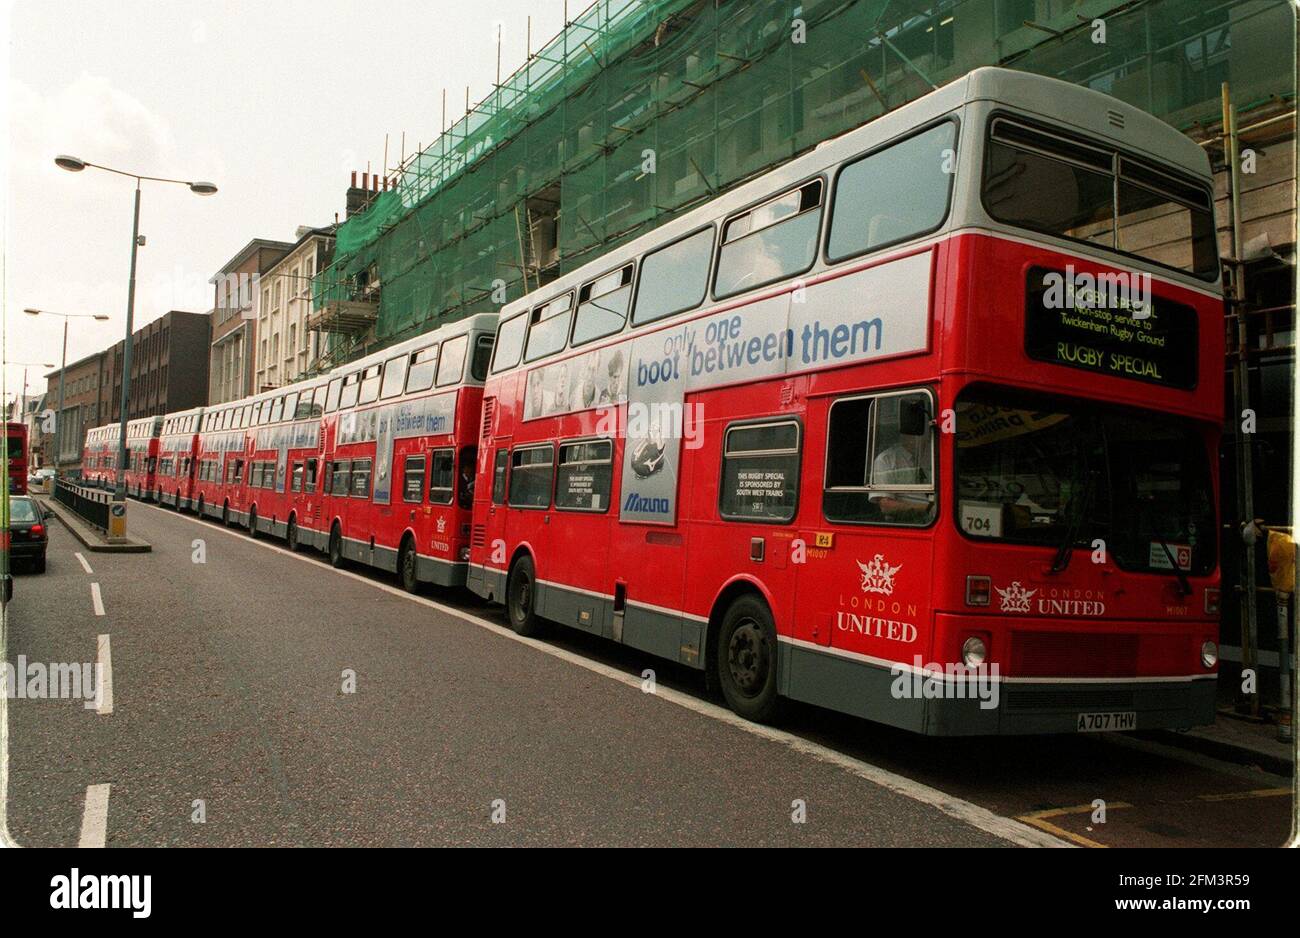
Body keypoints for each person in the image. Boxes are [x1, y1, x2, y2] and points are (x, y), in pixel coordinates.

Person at [869, 430, 932, 522]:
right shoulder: (886, 460)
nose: (925, 440)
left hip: (935, 517)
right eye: (921, 435)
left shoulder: (931, 455)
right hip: (906, 522)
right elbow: (886, 506)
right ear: (905, 437)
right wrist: (928, 508)